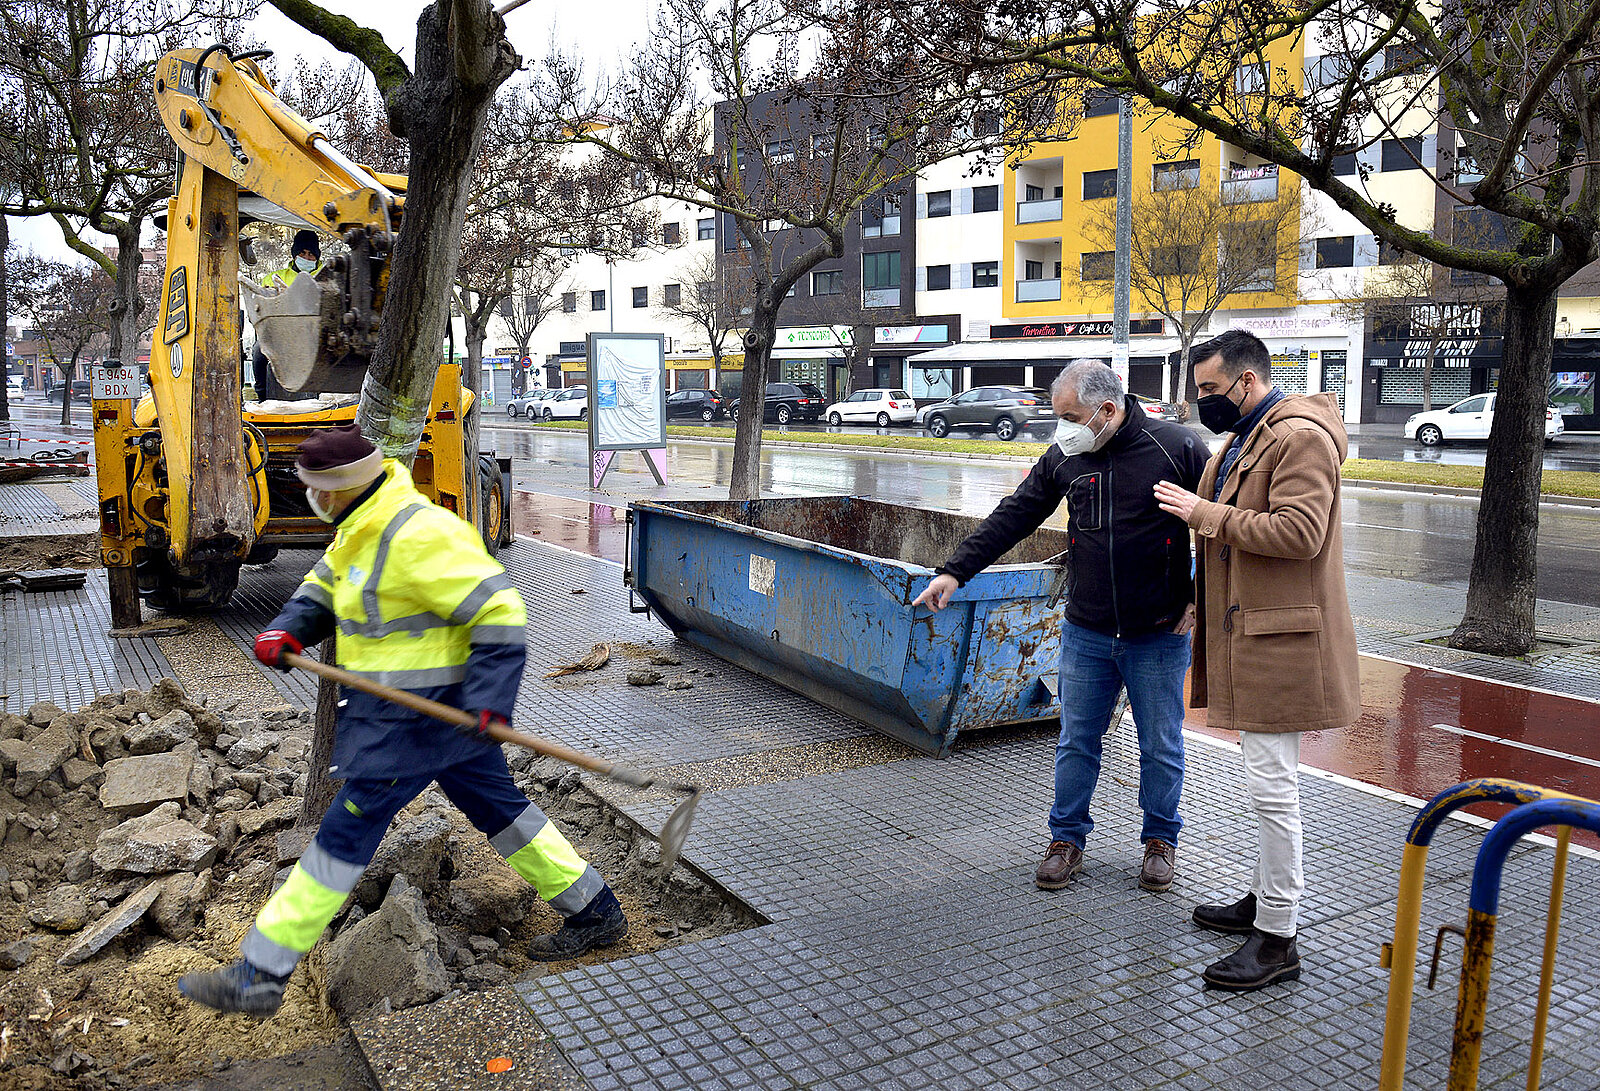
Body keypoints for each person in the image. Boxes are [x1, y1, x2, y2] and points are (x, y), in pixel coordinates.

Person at [179, 423, 627, 1016]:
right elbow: (325, 586)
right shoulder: (358, 530)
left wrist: (489, 703)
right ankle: (596, 910)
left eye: (313, 488)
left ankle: (261, 973)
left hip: (421, 723)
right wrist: (289, 626)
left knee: (340, 842)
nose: (308, 497)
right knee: (506, 814)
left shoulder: (420, 532)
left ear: (335, 490)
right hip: (428, 721)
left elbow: (498, 611)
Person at [914, 361, 1208, 893]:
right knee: (1077, 741)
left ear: (1108, 410)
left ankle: (1160, 841)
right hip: (1087, 631)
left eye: (1070, 417)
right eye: (1058, 418)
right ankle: (1066, 839)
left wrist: (1201, 599)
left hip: (1159, 634)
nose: (1062, 429)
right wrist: (955, 571)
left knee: (1160, 744)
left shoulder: (1177, 448)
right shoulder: (1067, 456)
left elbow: (1219, 525)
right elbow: (1016, 513)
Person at [1153, 329, 1359, 993]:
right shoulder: (1247, 434)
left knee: (1275, 788)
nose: (1203, 402)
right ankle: (1262, 899)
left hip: (1285, 642)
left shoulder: (1298, 436)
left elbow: (1301, 533)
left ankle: (1277, 937)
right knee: (1265, 783)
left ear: (1247, 380)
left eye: (1210, 389)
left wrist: (1203, 512)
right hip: (1260, 633)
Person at [251, 229, 324, 401]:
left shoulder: (326, 277)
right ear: (294, 254)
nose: (306, 258)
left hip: (315, 336)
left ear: (317, 256)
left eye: (311, 254)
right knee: (259, 351)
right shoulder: (273, 278)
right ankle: (261, 396)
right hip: (281, 335)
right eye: (302, 253)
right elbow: (262, 306)